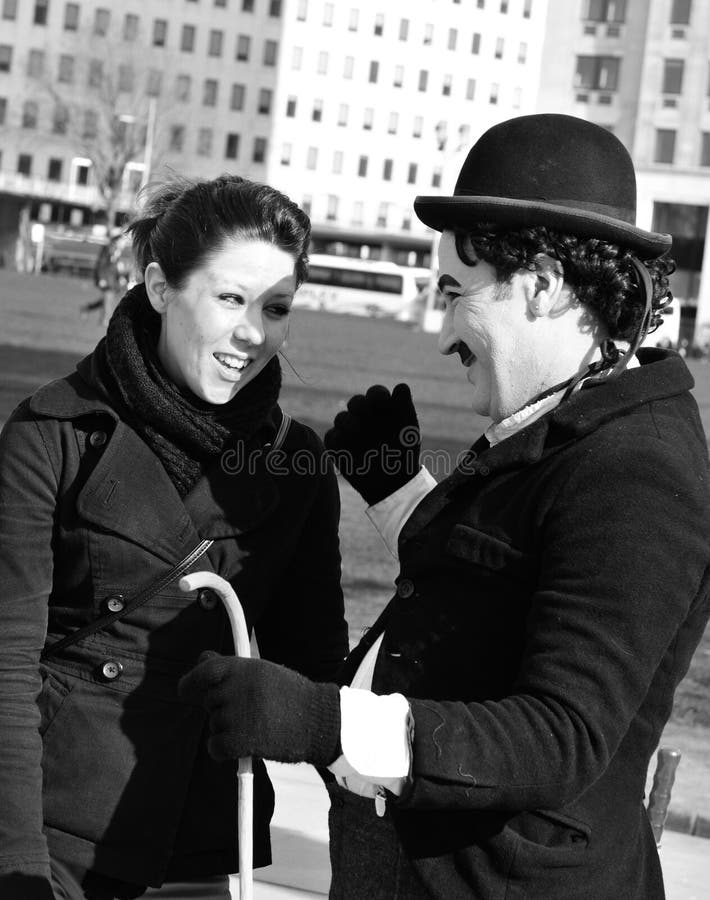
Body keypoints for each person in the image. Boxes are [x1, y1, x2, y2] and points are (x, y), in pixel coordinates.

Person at [179, 115, 710, 899]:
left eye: (456, 294)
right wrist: (401, 497)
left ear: (540, 285)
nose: (443, 335)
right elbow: (495, 595)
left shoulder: (635, 472)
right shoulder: (562, 429)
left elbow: (558, 737)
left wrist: (320, 721)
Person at [0, 174, 349, 900]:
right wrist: (17, 865)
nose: (254, 333)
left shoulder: (295, 460)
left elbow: (317, 674)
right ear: (160, 287)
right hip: (57, 841)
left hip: (206, 845)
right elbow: (4, 668)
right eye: (229, 298)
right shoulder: (52, 435)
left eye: (276, 308)